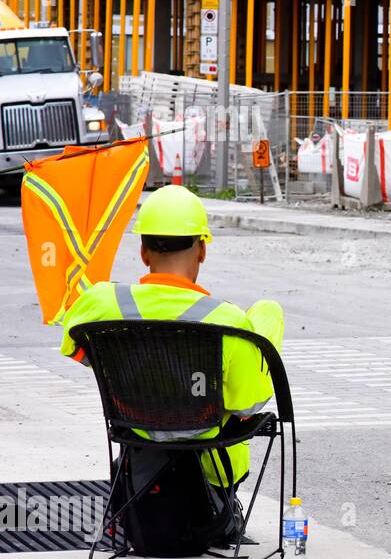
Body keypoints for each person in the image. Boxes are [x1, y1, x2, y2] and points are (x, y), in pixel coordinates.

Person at [60, 185, 284, 490]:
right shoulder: (227, 321)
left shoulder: (100, 303)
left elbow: (80, 350)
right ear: (202, 250)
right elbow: (247, 406)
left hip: (135, 436)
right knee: (268, 313)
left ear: (143, 251)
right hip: (211, 462)